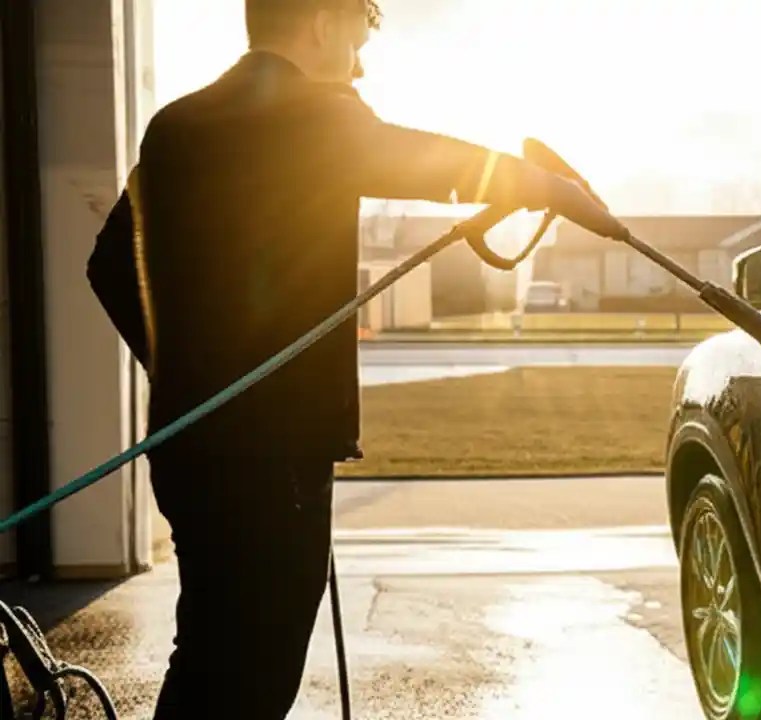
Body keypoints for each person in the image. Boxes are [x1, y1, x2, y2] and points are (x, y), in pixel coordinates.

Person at [86, 1, 625, 717]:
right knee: (251, 676)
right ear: (322, 22)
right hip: (274, 462)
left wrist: (189, 376)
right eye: (359, 37)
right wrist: (553, 187)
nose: (362, 65)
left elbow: (108, 267)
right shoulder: (311, 116)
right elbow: (431, 162)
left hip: (189, 452)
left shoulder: (175, 126)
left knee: (211, 650)